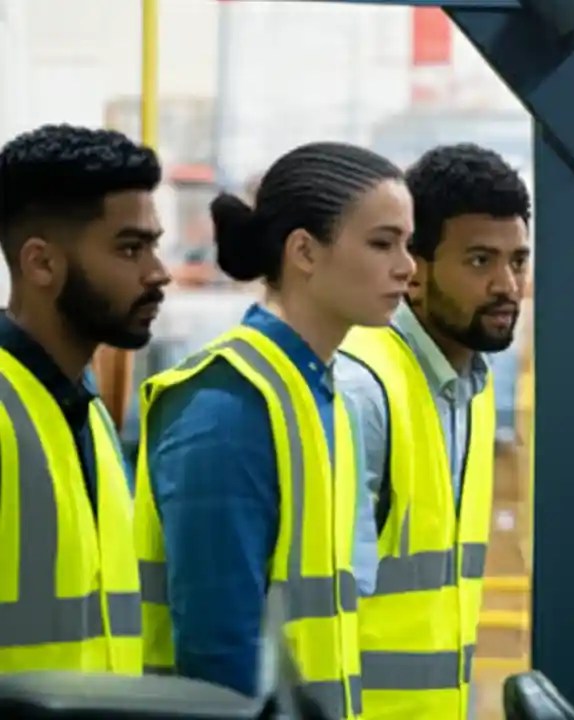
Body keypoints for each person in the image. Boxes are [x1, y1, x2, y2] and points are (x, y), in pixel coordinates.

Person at [132, 142, 415, 719]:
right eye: (383, 243)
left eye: (406, 244)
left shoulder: (322, 393)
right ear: (305, 252)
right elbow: (218, 647)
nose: (407, 266)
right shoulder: (228, 402)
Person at [335, 142, 531, 719]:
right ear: (413, 274)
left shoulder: (472, 387)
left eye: (517, 260)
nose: (507, 286)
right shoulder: (361, 391)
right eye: (479, 261)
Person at [0, 124, 168, 674]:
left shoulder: (87, 410)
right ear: (41, 264)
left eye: (154, 245)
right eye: (130, 249)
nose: (157, 272)